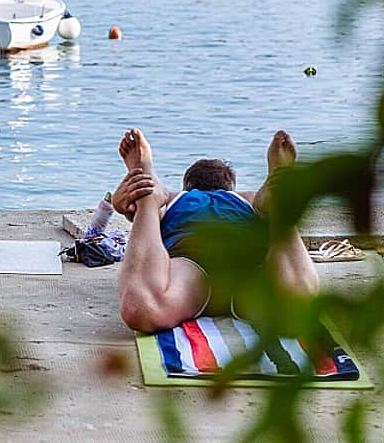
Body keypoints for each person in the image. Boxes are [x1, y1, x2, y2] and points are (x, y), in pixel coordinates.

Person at [108, 128, 319, 333]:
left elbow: (145, 228)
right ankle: (278, 189)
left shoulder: (173, 198)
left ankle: (145, 187)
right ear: (230, 187)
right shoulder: (248, 198)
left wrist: (133, 203)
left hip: (188, 266)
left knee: (141, 307)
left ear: (187, 186)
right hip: (246, 265)